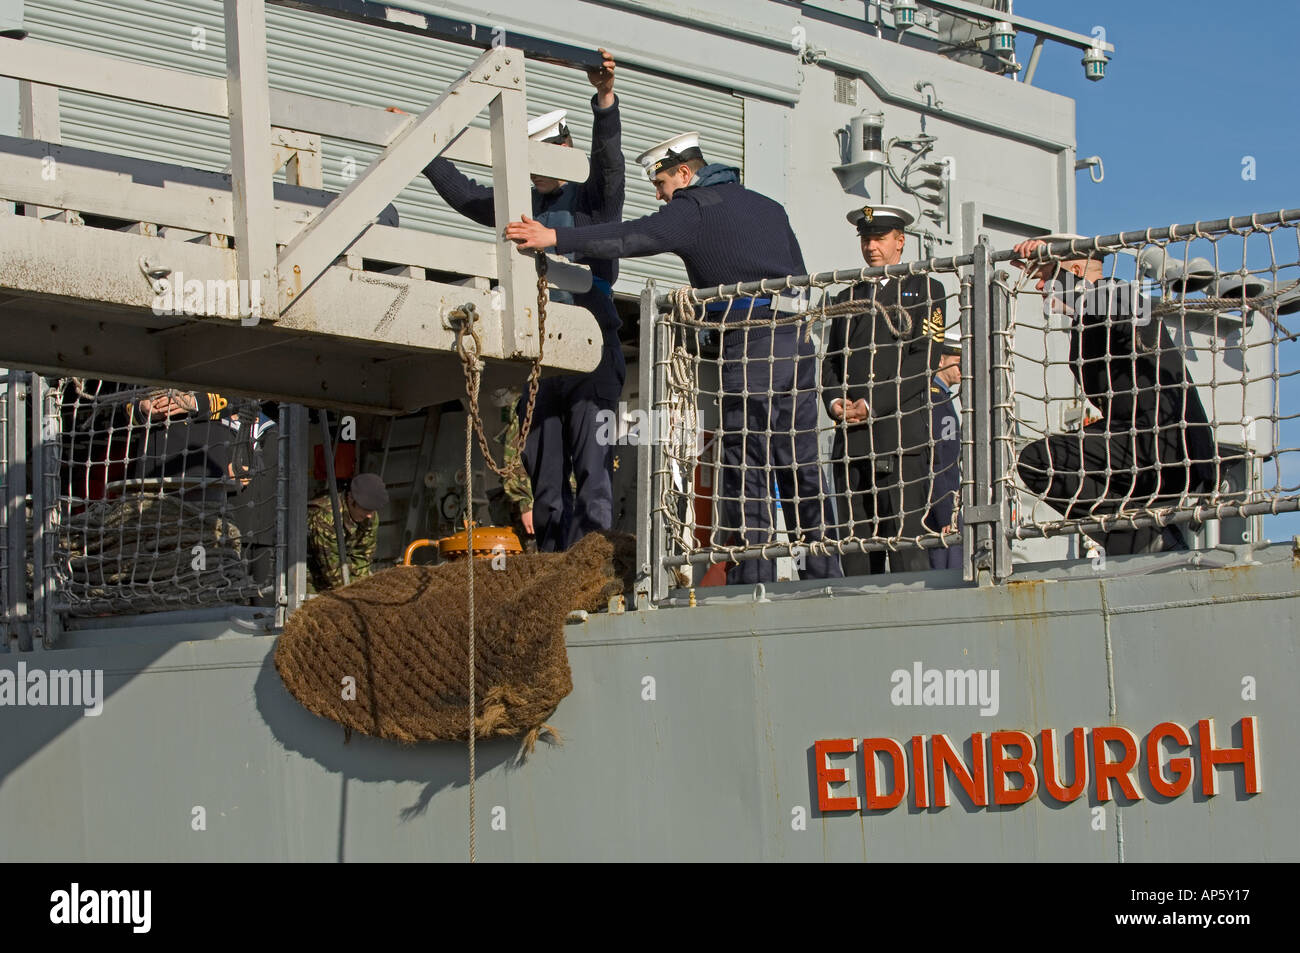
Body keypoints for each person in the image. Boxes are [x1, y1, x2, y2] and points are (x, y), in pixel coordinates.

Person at [505, 131, 841, 584]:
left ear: (685, 174)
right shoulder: (768, 206)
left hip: (751, 345)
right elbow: (792, 274)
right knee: (799, 463)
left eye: (661, 185)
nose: (662, 198)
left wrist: (555, 236)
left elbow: (631, 236)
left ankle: (751, 584)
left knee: (746, 464)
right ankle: (825, 575)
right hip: (797, 345)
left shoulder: (694, 209)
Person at [423, 48, 625, 553]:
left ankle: (592, 572)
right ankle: (553, 570)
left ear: (561, 149)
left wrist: (604, 99)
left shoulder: (590, 201)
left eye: (540, 164)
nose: (533, 178)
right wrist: (423, 150)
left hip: (589, 348)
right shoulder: (522, 203)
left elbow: (609, 169)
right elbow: (471, 198)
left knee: (593, 476)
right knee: (546, 481)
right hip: (541, 353)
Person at [1011, 236, 1217, 554]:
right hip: (1138, 451)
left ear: (1076, 269)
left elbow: (1119, 307)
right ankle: (1151, 534)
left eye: (1042, 280)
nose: (1039, 288)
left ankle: (1146, 539)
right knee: (1074, 457)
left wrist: (1056, 276)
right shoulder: (1086, 322)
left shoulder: (1122, 293)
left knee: (1039, 461)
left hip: (1162, 446)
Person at [822, 204, 957, 575]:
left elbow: (923, 360)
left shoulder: (926, 289)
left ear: (900, 241)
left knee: (905, 545)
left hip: (901, 440)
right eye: (865, 239)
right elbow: (831, 362)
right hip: (851, 443)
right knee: (855, 548)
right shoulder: (847, 297)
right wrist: (835, 402)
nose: (870, 247)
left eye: (879, 239)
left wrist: (872, 404)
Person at [306, 472, 389, 591]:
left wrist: (361, 588)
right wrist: (352, 594)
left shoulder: (369, 517)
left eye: (372, 510)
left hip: (339, 566)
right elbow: (331, 567)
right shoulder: (327, 518)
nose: (370, 515)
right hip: (310, 569)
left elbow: (363, 557)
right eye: (365, 509)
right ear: (350, 499)